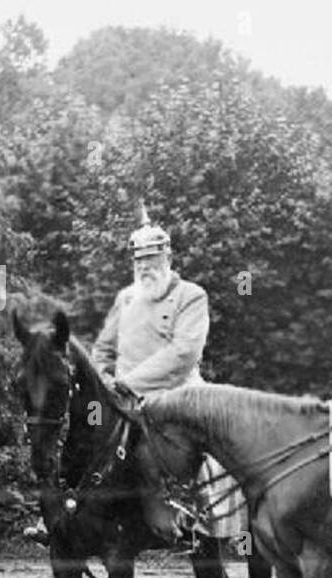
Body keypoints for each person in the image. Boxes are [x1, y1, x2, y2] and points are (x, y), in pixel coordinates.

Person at [23, 205, 212, 545]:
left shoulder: (191, 296)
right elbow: (103, 350)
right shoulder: (126, 299)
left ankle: (196, 515)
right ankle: (59, 518)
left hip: (176, 393)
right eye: (139, 261)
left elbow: (183, 354)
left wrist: (128, 382)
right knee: (81, 436)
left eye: (152, 259)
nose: (145, 267)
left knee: (196, 449)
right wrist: (102, 380)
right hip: (121, 396)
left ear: (168, 257)